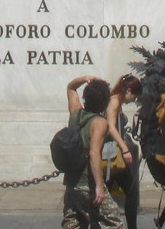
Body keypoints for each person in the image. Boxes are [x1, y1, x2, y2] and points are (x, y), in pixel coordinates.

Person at [62, 75, 123, 229]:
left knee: (73, 222)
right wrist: (99, 187)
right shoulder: (99, 123)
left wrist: (85, 78)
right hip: (87, 183)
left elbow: (70, 87)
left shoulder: (75, 113)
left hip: (71, 182)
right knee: (113, 222)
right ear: (104, 102)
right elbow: (94, 153)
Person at [104, 74, 143, 229]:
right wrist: (125, 149)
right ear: (127, 90)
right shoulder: (113, 102)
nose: (134, 99)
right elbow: (111, 128)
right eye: (134, 95)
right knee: (130, 191)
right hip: (109, 156)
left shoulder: (115, 101)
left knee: (127, 190)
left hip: (111, 156)